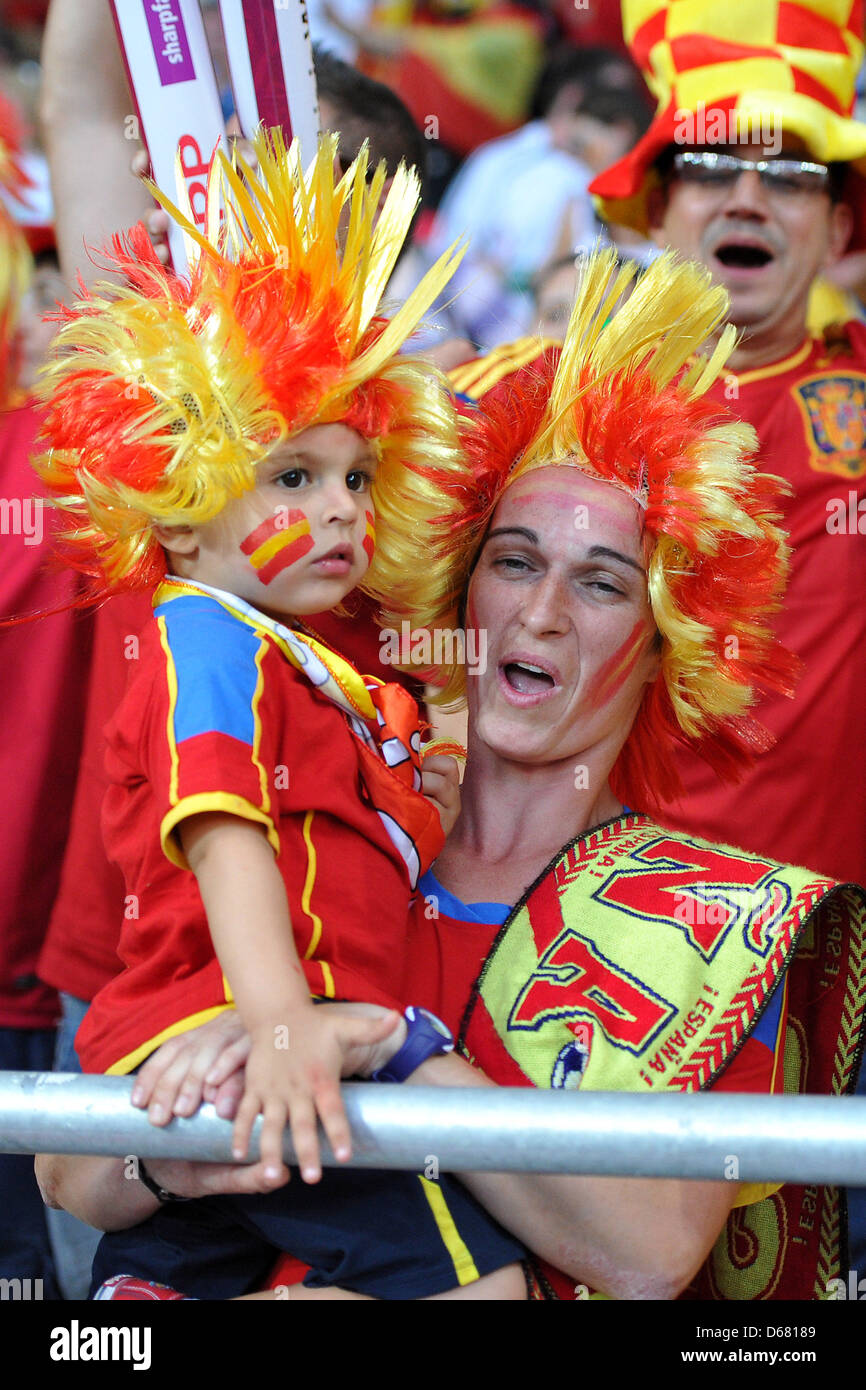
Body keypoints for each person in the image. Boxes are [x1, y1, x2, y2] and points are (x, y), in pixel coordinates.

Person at [38, 248, 866, 1301]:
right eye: (512, 562)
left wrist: (398, 1053)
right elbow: (68, 1168)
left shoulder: (715, 918)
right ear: (455, 594)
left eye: (601, 584)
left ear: (670, 642)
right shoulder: (317, 827)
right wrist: (166, 1158)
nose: (540, 614)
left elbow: (649, 1250)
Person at [33, 122, 529, 1303]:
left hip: (230, 1060)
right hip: (268, 1050)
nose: (342, 508)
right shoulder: (208, 631)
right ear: (182, 513)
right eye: (291, 476)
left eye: (356, 477)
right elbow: (222, 830)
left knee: (175, 1273)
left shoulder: (310, 659)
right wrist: (280, 1026)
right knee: (482, 1289)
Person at [587, 0, 866, 889]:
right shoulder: (561, 402)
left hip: (837, 939)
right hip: (625, 920)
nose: (749, 196)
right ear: (660, 207)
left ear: (839, 230)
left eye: (788, 175)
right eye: (711, 166)